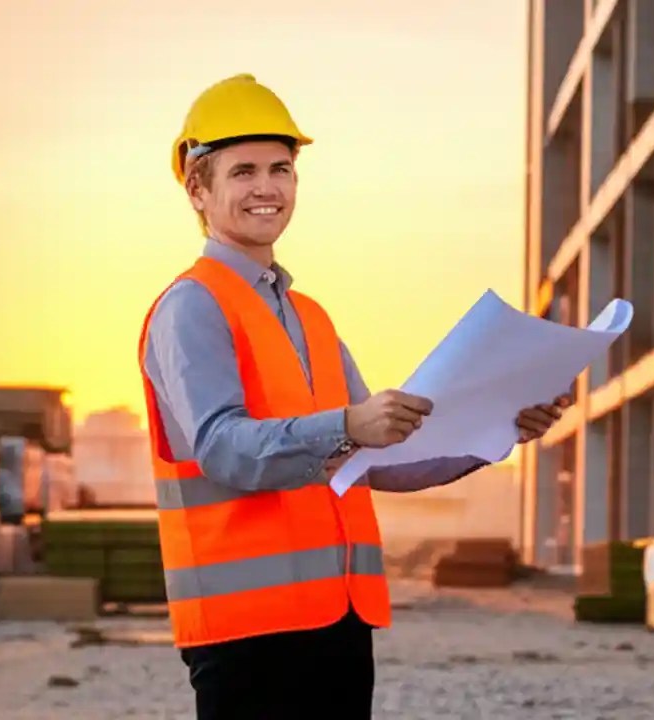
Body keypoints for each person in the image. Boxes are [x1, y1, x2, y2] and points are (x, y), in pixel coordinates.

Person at [138, 73, 571, 719]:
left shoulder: (311, 317)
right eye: (243, 171)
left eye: (281, 169)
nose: (267, 188)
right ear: (198, 189)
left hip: (336, 618)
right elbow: (223, 449)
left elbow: (381, 456)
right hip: (246, 631)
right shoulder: (191, 307)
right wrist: (348, 423)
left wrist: (500, 426)